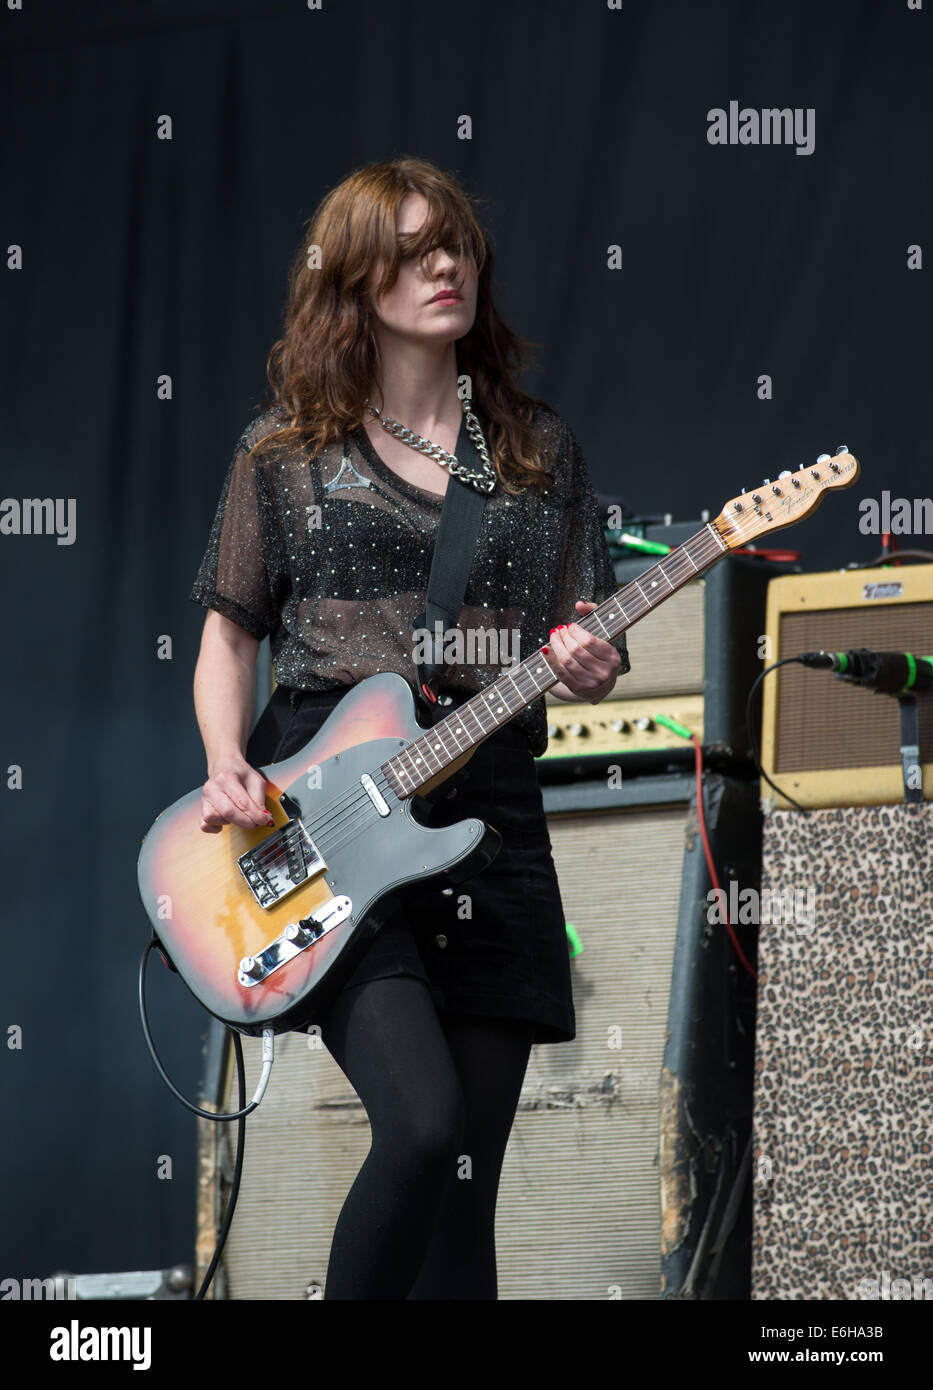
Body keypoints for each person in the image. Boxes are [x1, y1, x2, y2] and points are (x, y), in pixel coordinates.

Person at [188, 155, 630, 1300]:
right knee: (424, 1125)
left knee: (464, 1198)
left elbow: (586, 637)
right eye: (417, 248)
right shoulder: (283, 457)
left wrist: (590, 663)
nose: (448, 264)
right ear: (356, 280)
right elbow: (231, 636)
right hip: (328, 825)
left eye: (460, 244)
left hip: (485, 821)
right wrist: (226, 764)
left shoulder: (538, 455)